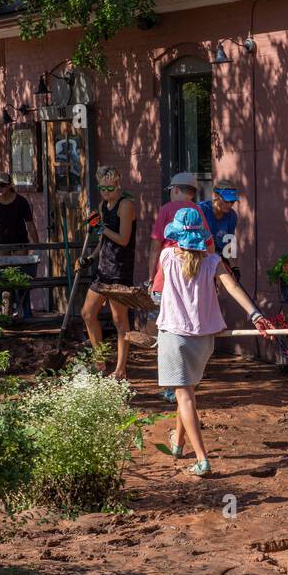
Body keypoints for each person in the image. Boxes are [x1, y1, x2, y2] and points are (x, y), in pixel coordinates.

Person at [156, 207, 271, 477]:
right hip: (204, 341)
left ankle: (202, 459)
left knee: (184, 396)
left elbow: (168, 272)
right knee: (187, 393)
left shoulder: (166, 257)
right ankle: (179, 442)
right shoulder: (213, 262)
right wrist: (255, 314)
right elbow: (232, 287)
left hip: (174, 338)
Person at [146, 172, 213, 401]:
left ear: (175, 189)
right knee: (187, 328)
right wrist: (210, 276)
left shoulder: (166, 209)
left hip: (166, 280)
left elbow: (156, 246)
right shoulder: (198, 212)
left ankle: (172, 386)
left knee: (163, 330)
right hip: (191, 278)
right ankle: (187, 383)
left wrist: (151, 276)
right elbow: (209, 246)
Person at [80, 165, 137, 380]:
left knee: (119, 319)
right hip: (103, 267)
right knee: (87, 313)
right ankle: (100, 360)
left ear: (117, 185)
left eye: (110, 188)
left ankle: (120, 369)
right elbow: (104, 239)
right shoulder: (103, 205)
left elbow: (122, 239)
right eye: (102, 188)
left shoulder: (126, 205)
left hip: (120, 269)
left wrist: (101, 228)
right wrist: (90, 258)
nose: (106, 193)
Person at [0, 171, 39, 318]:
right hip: (1, 243)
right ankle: (3, 310)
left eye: (3, 185)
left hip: (20, 242)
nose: (0, 188)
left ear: (9, 185)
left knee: (21, 276)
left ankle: (25, 309)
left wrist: (37, 246)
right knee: (1, 277)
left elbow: (30, 224)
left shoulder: (21, 202)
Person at [199, 180, 241, 281]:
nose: (230, 205)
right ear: (215, 196)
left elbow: (229, 244)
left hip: (217, 258)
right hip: (199, 257)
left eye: (233, 202)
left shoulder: (232, 216)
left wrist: (234, 267)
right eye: (227, 201)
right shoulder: (201, 210)